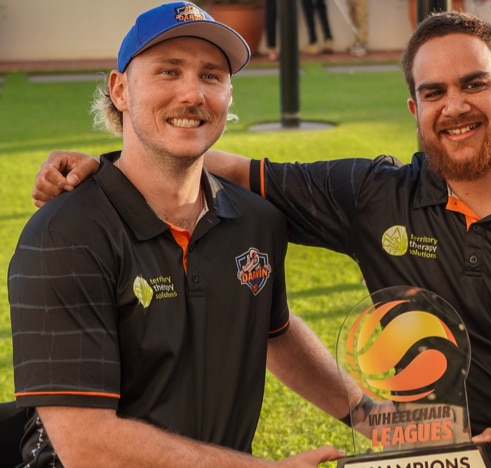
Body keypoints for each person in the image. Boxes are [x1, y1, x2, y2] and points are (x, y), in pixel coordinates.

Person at [32, 11, 491, 468]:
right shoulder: (377, 195)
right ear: (414, 109)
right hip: (445, 454)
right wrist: (104, 162)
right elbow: (201, 158)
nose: (454, 105)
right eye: (433, 90)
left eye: (475, 84)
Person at [10, 2, 369, 466]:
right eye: (168, 71)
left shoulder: (257, 221)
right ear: (120, 90)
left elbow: (272, 332)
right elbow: (87, 445)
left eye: (211, 76)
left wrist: (372, 416)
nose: (192, 94)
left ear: (229, 95)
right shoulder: (64, 235)